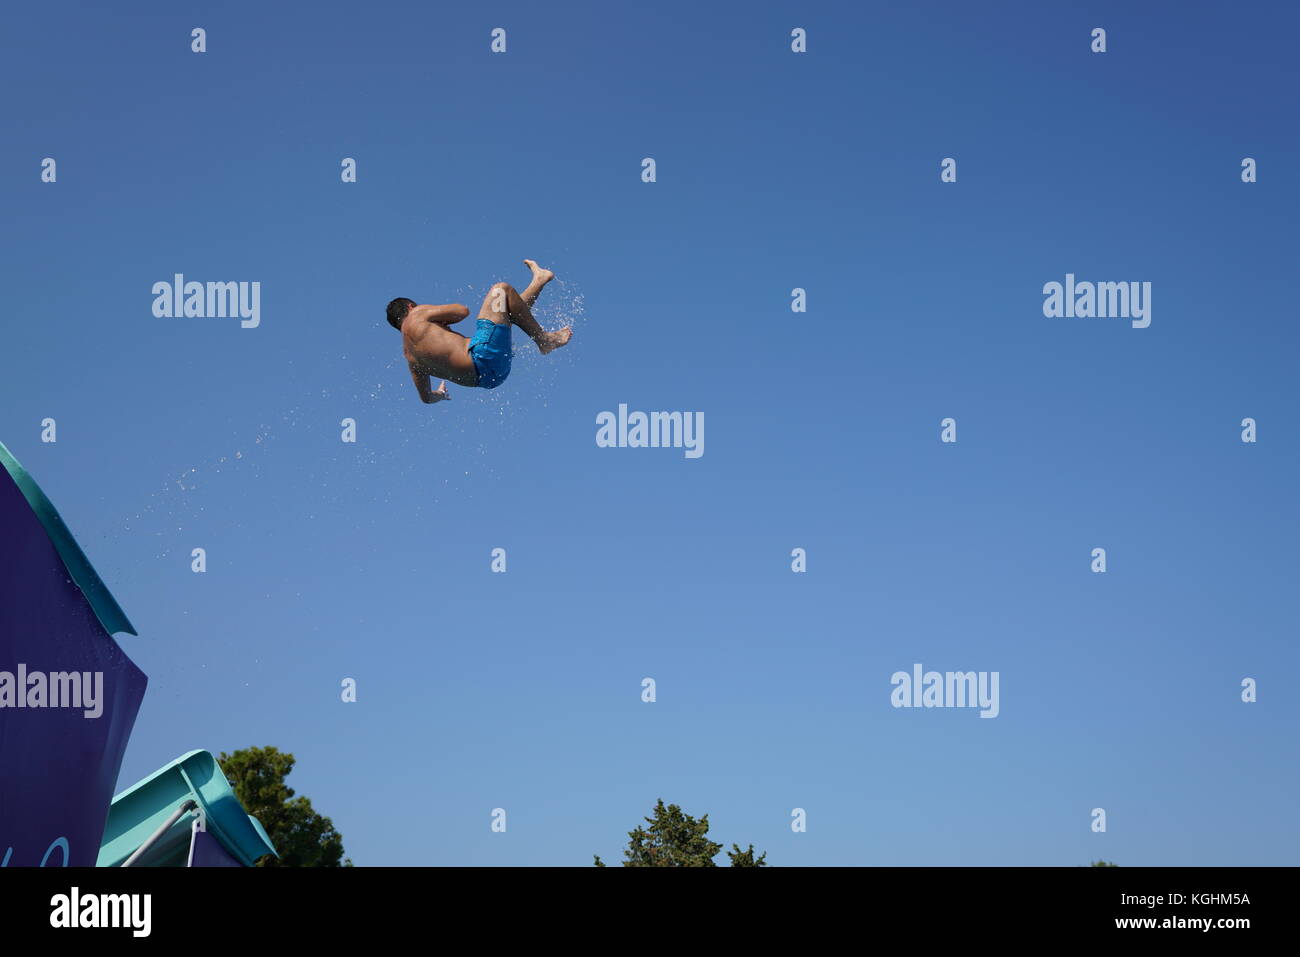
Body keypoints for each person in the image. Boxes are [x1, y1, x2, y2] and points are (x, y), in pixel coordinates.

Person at [386, 259, 572, 403]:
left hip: (491, 379)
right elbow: (462, 311)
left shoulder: (411, 359)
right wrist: (442, 320)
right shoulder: (416, 315)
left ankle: (540, 280)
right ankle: (544, 340)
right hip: (483, 354)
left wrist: (441, 394)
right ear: (410, 306)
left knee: (508, 310)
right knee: (501, 291)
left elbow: (426, 398)